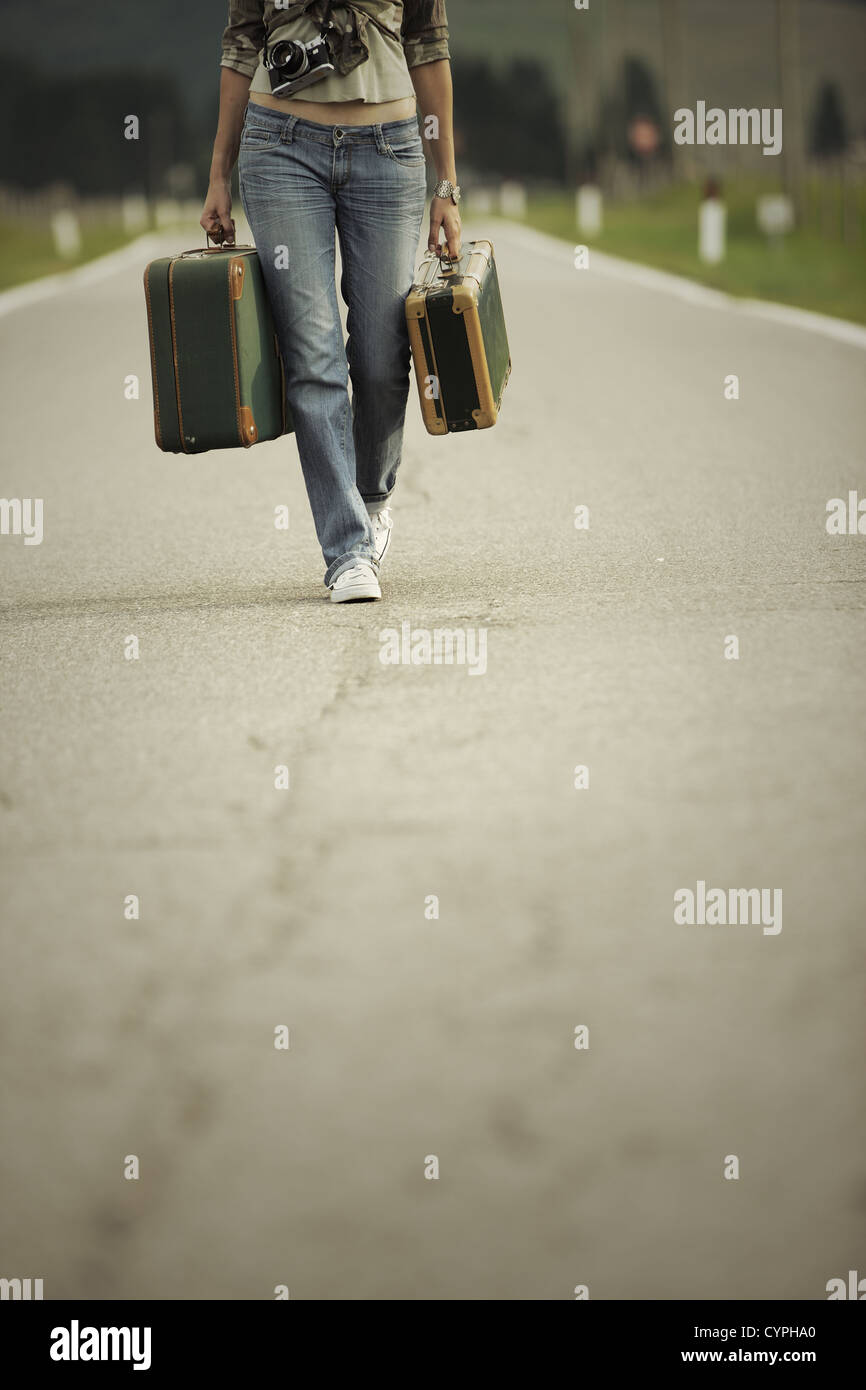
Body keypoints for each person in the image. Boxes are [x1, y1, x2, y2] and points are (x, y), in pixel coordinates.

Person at [201, 1, 461, 602]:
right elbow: (241, 46)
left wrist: (445, 183)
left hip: (391, 149)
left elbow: (428, 44)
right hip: (280, 148)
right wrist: (219, 173)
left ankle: (371, 498)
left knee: (380, 352)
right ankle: (346, 550)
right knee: (313, 353)